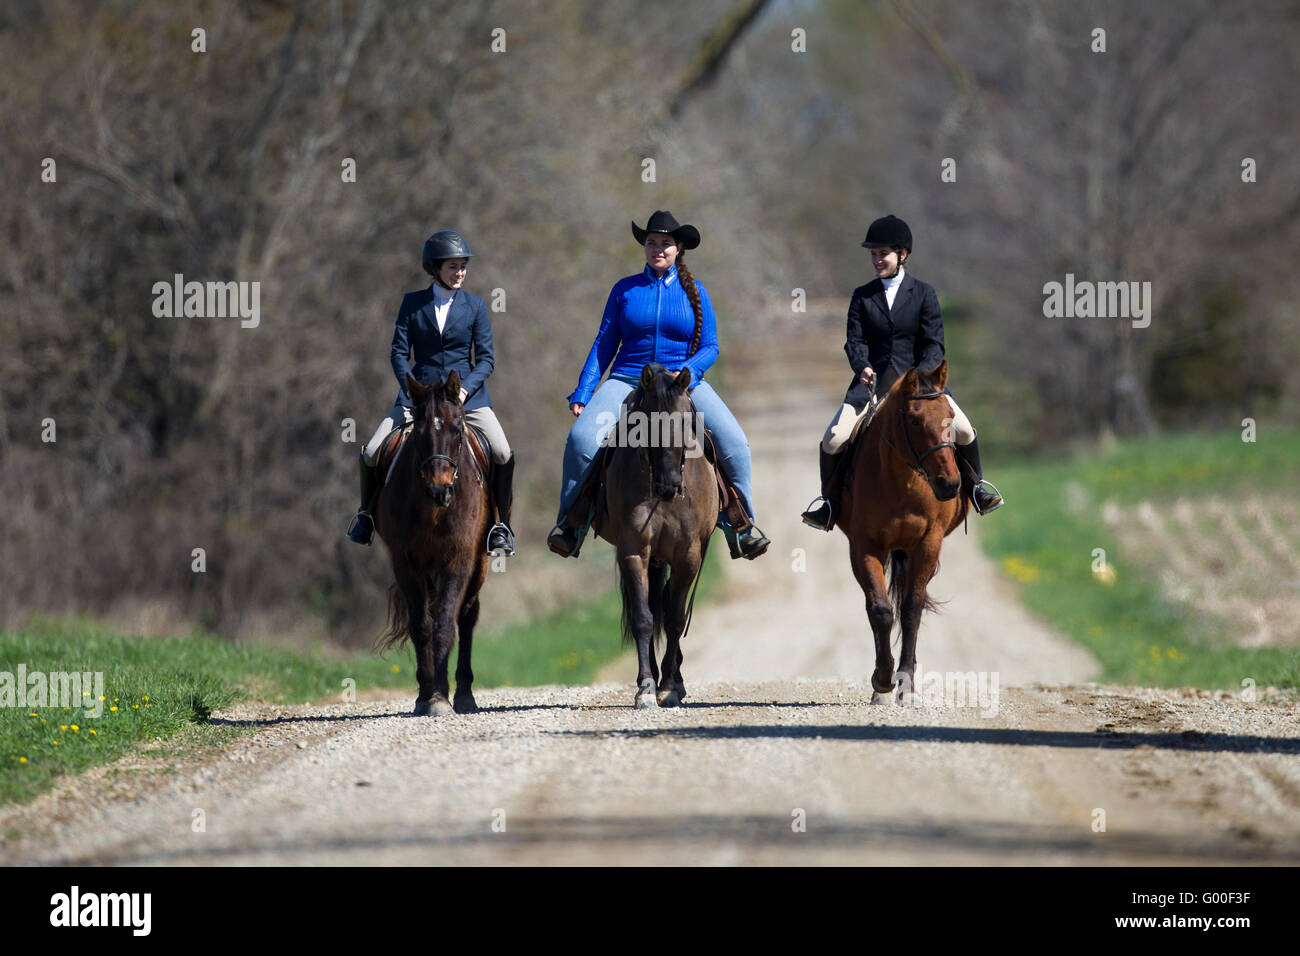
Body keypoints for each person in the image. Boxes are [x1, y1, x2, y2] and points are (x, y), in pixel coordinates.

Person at [548, 210, 771, 560]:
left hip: (683, 385)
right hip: (628, 379)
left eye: (665, 244)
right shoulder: (625, 290)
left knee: (736, 444)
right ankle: (571, 525)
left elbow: (710, 346)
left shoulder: (696, 291)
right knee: (580, 440)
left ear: (678, 249)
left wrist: (687, 372)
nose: (657, 249)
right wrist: (584, 390)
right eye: (651, 242)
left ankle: (741, 526)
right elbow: (604, 342)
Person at [801, 214, 1004, 530]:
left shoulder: (924, 294)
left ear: (902, 255)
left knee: (964, 431)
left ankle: (977, 488)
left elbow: (935, 344)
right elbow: (854, 341)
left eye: (882, 253)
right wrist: (863, 366)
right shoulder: (862, 296)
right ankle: (830, 504)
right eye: (873, 254)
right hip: (872, 386)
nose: (876, 259)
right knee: (833, 439)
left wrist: (920, 376)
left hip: (921, 388)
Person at [346, 230, 516, 555]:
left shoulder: (476, 306)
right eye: (453, 267)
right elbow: (398, 352)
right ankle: (365, 515)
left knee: (502, 452)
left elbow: (487, 359)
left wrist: (465, 390)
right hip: (419, 397)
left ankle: (501, 526)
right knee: (371, 452)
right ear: (435, 267)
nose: (460, 273)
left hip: (466, 398)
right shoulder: (412, 304)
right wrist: (411, 389)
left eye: (463, 266)